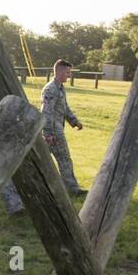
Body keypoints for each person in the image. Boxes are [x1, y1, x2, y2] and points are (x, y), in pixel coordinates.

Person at [40, 59, 85, 194]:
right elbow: (46, 112)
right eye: (67, 72)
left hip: (56, 129)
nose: (69, 75)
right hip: (54, 132)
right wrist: (48, 133)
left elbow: (64, 108)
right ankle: (72, 189)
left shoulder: (60, 88)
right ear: (59, 72)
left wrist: (74, 121)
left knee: (42, 160)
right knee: (64, 159)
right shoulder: (51, 89)